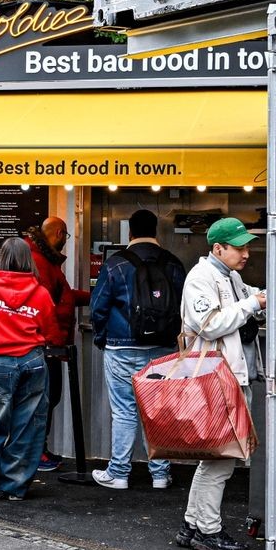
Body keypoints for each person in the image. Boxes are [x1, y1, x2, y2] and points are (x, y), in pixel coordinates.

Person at [173, 217, 265, 550]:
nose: (246, 254)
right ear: (218, 248)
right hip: (217, 380)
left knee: (213, 459)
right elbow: (211, 325)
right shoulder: (200, 277)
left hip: (225, 377)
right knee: (221, 461)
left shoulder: (232, 276)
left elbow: (239, 311)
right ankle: (208, 531)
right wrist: (254, 304)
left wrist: (254, 302)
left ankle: (192, 524)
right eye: (239, 248)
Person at [90, 209, 186, 491]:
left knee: (124, 411)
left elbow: (99, 307)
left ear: (130, 232)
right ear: (156, 230)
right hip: (162, 349)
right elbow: (184, 306)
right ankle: (160, 474)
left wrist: (102, 337)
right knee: (157, 411)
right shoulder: (173, 263)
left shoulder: (116, 264)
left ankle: (119, 473)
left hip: (121, 348)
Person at [0, 238, 63, 501]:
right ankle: (13, 485)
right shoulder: (41, 293)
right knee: (27, 426)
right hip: (31, 361)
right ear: (27, 260)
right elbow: (50, 331)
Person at [24, 216, 90, 471]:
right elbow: (46, 306)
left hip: (46, 344)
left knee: (46, 398)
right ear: (60, 233)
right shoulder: (41, 262)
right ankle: (37, 452)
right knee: (45, 398)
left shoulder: (41, 258)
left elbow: (63, 296)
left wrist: (93, 295)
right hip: (45, 345)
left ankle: (38, 450)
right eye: (66, 236)